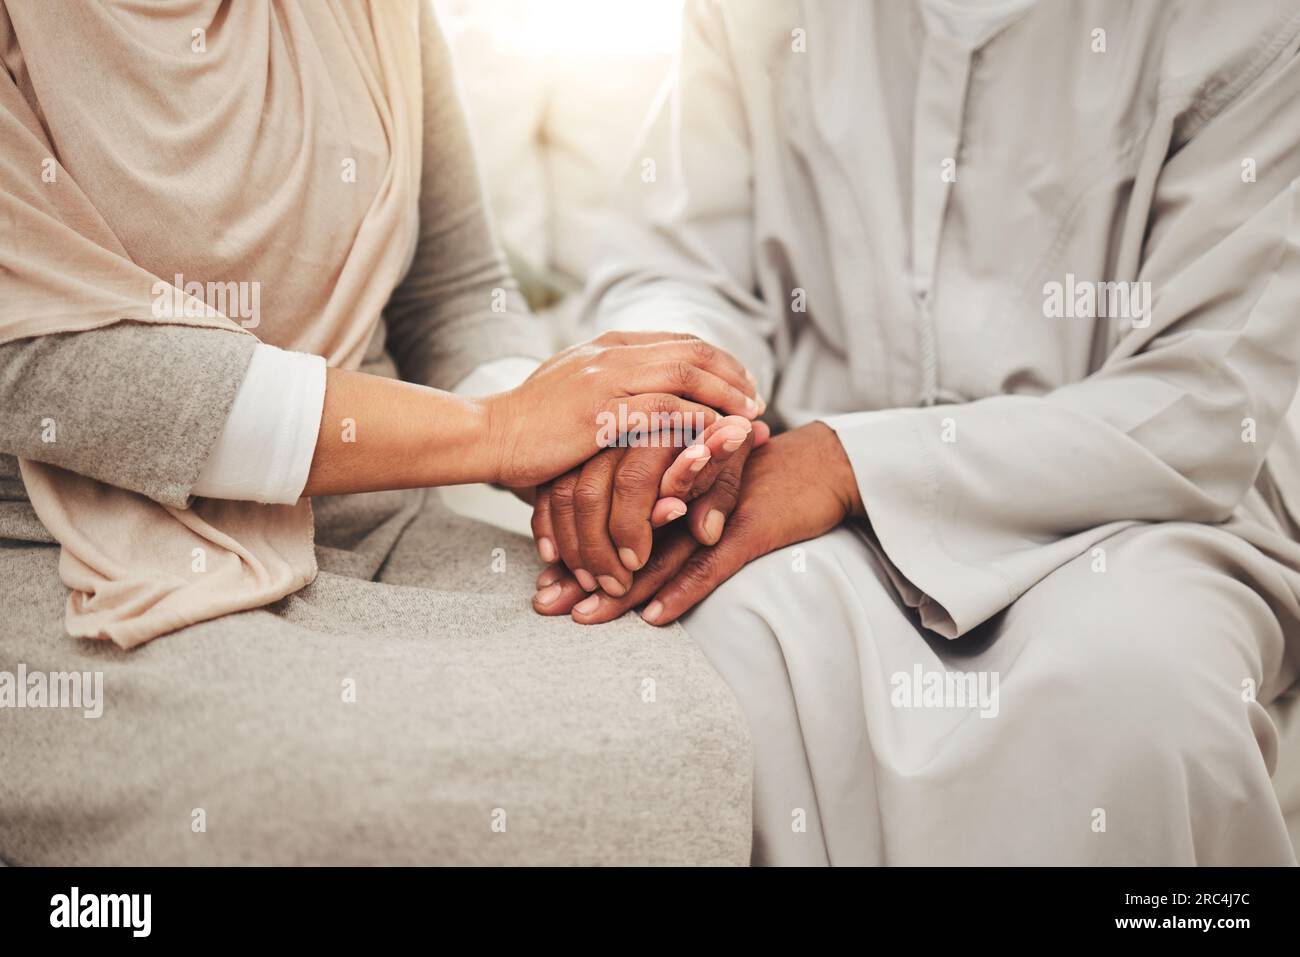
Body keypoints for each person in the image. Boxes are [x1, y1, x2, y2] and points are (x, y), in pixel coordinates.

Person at [530, 0, 1300, 864]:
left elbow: (1200, 397)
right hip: (794, 494)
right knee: (722, 637)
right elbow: (678, 265)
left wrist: (849, 461)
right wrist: (682, 416)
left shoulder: (1251, 23)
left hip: (1144, 509)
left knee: (1140, 698)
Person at [0, 0, 758, 864]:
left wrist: (590, 448)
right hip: (57, 550)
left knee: (672, 714)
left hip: (372, 524)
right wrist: (496, 430)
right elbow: (37, 361)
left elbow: (455, 290)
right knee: (351, 786)